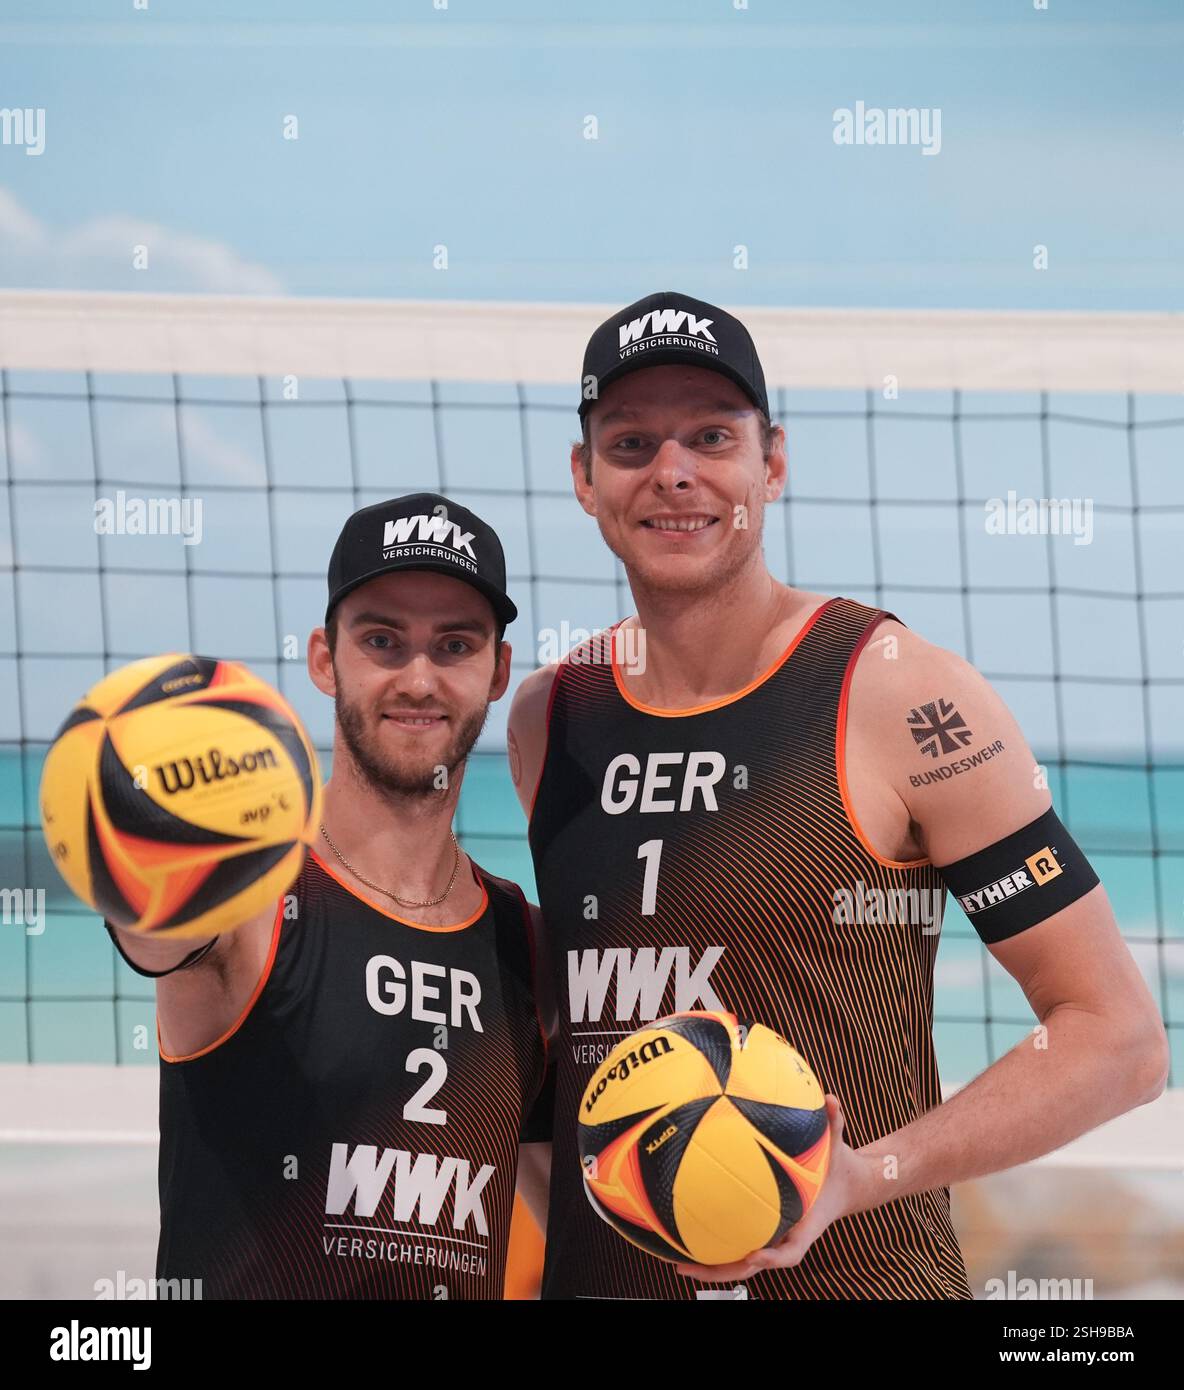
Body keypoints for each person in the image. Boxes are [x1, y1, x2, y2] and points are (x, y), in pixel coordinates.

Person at [507, 291, 1168, 1300]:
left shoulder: (896, 689)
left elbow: (1115, 1039)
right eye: (631, 441)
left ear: (770, 463)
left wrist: (862, 1176)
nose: (672, 470)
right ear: (582, 478)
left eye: (711, 437)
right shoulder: (549, 716)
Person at [106, 492, 550, 1299]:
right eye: (383, 640)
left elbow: (589, 1218)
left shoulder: (525, 944)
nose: (418, 678)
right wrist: (127, 826)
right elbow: (156, 930)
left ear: (497, 673)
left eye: (455, 644)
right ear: (323, 658)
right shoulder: (255, 896)